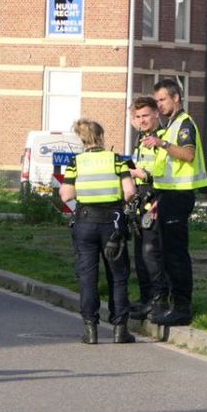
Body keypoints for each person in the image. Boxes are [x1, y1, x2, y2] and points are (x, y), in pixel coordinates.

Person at [59, 118, 137, 345]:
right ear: (101, 136)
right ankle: (120, 330)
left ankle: (90, 330)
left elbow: (66, 195)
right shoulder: (116, 160)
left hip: (85, 222)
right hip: (113, 223)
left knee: (87, 277)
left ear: (81, 139)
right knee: (118, 276)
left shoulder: (76, 163)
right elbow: (130, 191)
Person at [141, 79, 207, 326]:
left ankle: (182, 308)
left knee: (176, 254)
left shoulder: (184, 124)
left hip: (179, 195)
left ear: (176, 98)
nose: (159, 105)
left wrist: (163, 144)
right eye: (157, 101)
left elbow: (188, 154)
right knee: (166, 253)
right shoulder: (171, 125)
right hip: (167, 195)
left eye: (162, 100)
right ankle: (171, 304)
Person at [127, 96, 161, 319]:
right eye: (138, 116)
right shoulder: (141, 139)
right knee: (140, 255)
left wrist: (142, 174)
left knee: (151, 254)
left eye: (146, 115)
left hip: (156, 200)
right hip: (141, 201)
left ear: (156, 114)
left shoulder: (161, 139)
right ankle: (145, 299)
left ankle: (157, 301)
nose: (142, 120)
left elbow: (165, 174)